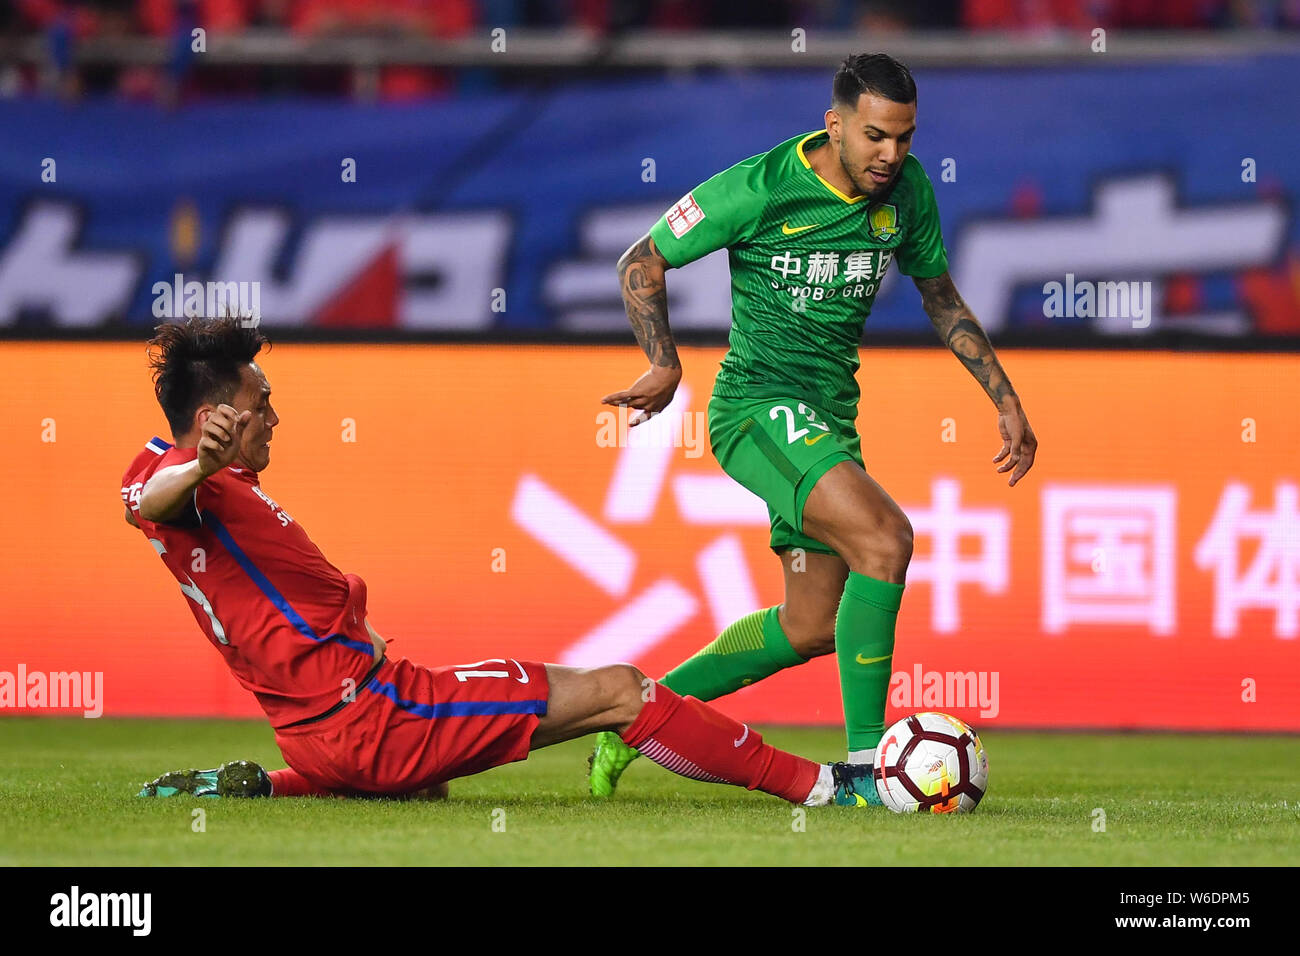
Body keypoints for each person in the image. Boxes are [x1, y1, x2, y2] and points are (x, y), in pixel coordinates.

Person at [124, 315, 870, 807]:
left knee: (425, 787)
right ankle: (828, 788)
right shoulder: (184, 483)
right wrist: (199, 468)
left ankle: (269, 789)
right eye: (263, 400)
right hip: (373, 719)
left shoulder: (221, 491)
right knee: (623, 691)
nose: (275, 415)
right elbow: (153, 501)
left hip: (328, 731)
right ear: (213, 417)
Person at [591, 52, 1037, 803]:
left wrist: (1004, 396)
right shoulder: (760, 188)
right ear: (834, 125)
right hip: (756, 409)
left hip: (827, 419)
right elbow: (642, 261)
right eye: (874, 137)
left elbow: (941, 297)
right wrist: (664, 364)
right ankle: (869, 773)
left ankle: (637, 715)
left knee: (810, 625)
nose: (891, 155)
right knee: (887, 538)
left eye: (904, 138)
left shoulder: (910, 191)